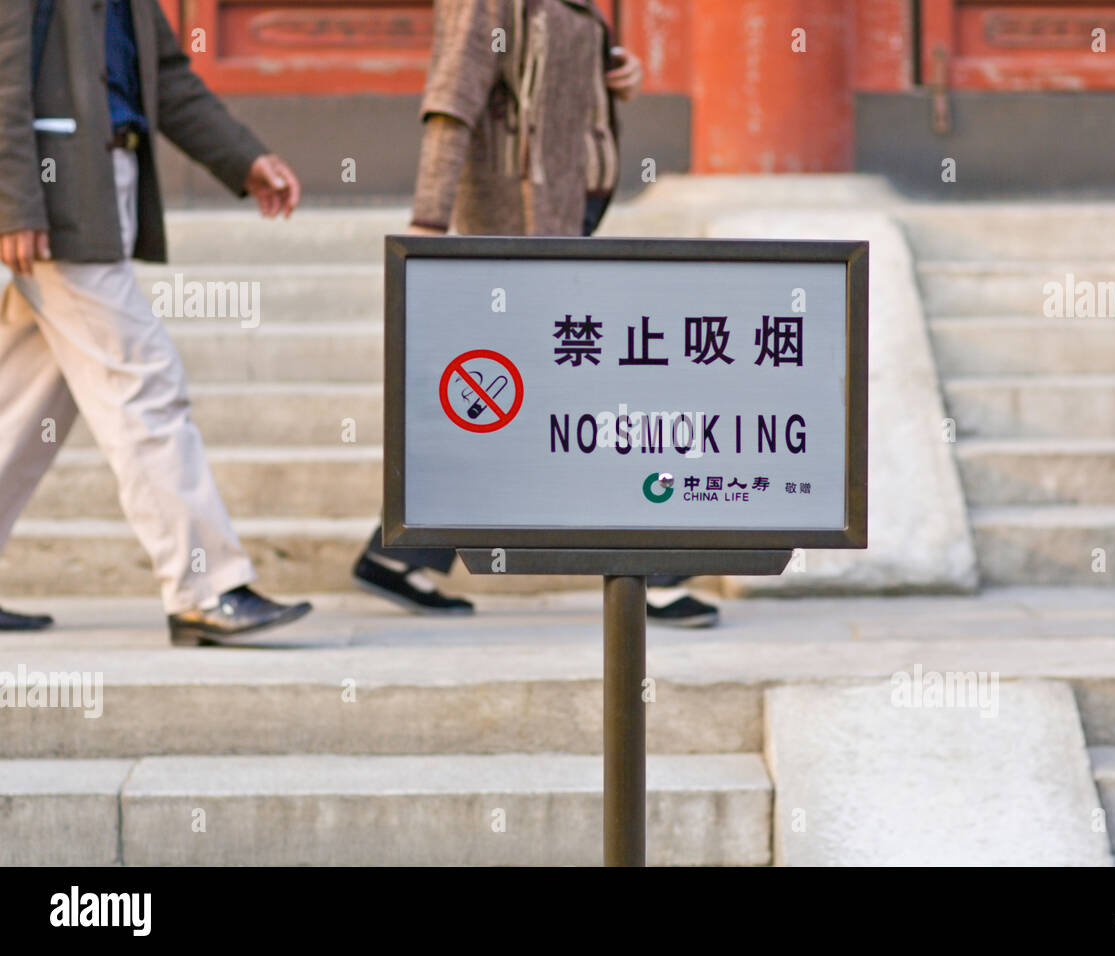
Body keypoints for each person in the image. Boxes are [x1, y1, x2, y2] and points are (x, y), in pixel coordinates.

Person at [352, 0, 719, 628]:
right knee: (587, 388)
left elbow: (540, 73)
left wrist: (608, 76)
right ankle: (653, 571)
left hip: (560, 216)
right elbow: (454, 94)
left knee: (509, 403)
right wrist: (428, 223)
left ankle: (397, 551)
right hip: (516, 224)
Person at [0, 0, 312, 645]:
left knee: (23, 401)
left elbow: (166, 75)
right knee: (144, 382)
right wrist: (12, 203)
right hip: (55, 200)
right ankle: (205, 588)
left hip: (99, 179)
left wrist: (243, 158)